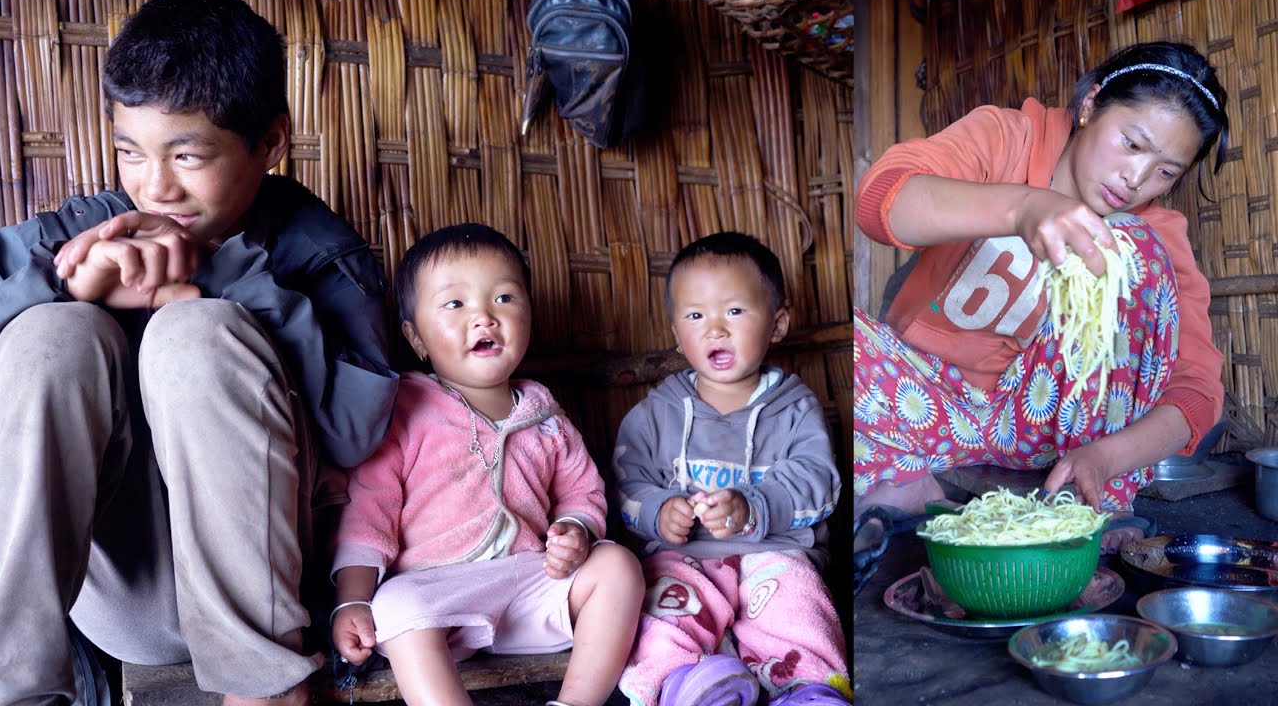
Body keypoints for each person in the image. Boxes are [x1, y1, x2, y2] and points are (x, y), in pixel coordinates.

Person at [0, 0, 399, 704]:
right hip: (123, 589)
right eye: (129, 152)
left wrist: (208, 277)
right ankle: (12, 684)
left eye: (187, 155)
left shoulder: (320, 253)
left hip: (273, 596)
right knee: (52, 332)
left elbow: (353, 431)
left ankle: (264, 690)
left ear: (269, 142)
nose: (154, 187)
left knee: (196, 333)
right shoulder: (97, 225)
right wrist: (65, 284)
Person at [852, 40, 1230, 557]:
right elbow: (882, 198)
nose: (1136, 179)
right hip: (923, 402)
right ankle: (914, 488)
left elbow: (1197, 389)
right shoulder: (1008, 138)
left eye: (1166, 172)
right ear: (1091, 104)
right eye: (1131, 143)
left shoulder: (1156, 230)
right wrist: (1023, 208)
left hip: (1045, 428)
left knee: (1135, 245)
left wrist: (1106, 457)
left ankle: (1088, 500)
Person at [328, 223, 645, 706]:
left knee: (618, 565)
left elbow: (582, 492)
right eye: (455, 304)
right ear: (415, 337)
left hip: (532, 582)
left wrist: (575, 529)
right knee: (396, 605)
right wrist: (351, 599)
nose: (484, 317)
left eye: (504, 298)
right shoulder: (405, 410)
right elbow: (369, 514)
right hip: (438, 594)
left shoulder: (544, 414)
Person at [611, 232, 851, 706]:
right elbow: (625, 484)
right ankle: (686, 684)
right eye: (695, 316)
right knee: (663, 607)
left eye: (735, 311)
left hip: (775, 553)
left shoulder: (794, 408)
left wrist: (753, 507)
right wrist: (658, 511)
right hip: (684, 557)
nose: (715, 329)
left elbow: (818, 481)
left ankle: (808, 689)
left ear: (777, 324)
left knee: (798, 603)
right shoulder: (656, 413)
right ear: (676, 332)